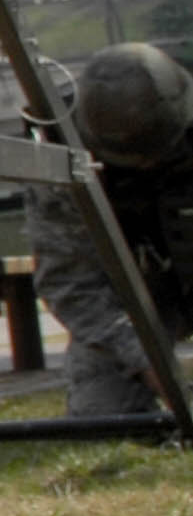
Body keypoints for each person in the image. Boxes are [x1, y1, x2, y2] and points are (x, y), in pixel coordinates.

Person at [32, 41, 193, 417]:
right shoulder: (63, 159)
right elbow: (71, 282)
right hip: (136, 300)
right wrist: (147, 361)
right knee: (103, 412)